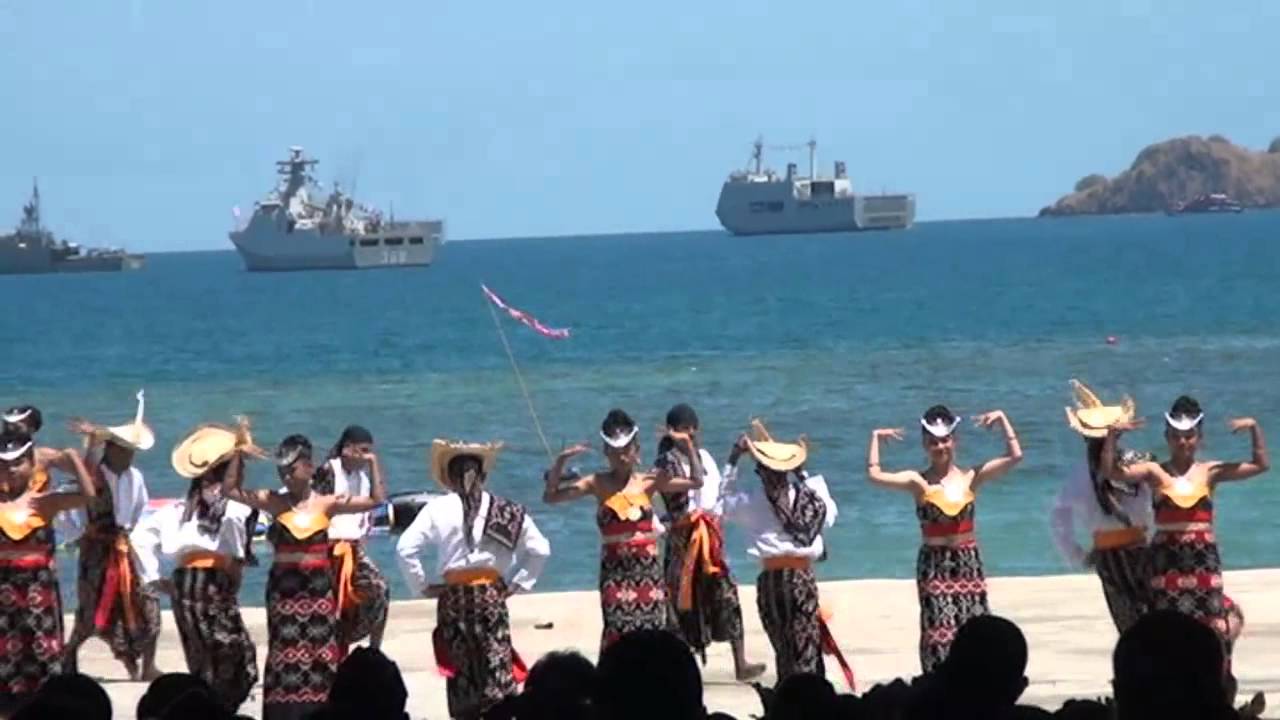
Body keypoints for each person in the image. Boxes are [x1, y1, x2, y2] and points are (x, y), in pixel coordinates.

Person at [222, 433, 384, 720]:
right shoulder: (274, 501)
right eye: (281, 471)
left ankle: (322, 710)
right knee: (284, 652)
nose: (285, 477)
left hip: (318, 590)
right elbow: (231, 491)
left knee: (321, 651)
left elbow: (376, 500)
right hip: (284, 593)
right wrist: (237, 454)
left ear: (308, 468)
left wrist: (372, 462)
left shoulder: (328, 503)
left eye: (291, 469)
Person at [1102, 395, 1267, 666]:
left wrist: (1254, 428)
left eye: (1189, 436)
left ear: (1199, 438)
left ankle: (1214, 676)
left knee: (1212, 622)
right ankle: (1170, 677)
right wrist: (1112, 436)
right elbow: (1110, 472)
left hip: (1203, 559)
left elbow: (1260, 465)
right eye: (1176, 436)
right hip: (1167, 558)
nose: (1183, 442)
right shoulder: (1154, 471)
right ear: (1167, 438)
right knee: (1167, 624)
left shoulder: (1210, 471)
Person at [396, 439, 551, 720]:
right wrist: (517, 584)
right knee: (496, 668)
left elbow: (405, 549)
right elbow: (540, 549)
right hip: (491, 596)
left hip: (454, 598)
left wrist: (423, 587)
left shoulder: (437, 508)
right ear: (484, 476)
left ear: (449, 478)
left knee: (462, 675)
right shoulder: (507, 509)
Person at [867, 404, 1023, 673]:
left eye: (945, 440)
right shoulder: (918, 482)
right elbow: (875, 475)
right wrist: (875, 438)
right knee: (938, 631)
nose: (940, 446)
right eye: (933, 442)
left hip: (968, 562)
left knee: (976, 628)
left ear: (954, 441)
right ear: (925, 445)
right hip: (934, 565)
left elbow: (1015, 456)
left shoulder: (971, 477)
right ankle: (938, 684)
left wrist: (1002, 420)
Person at [544, 408, 703, 651]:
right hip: (615, 569)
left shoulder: (649, 482)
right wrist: (561, 461)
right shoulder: (596, 483)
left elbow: (696, 481)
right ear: (606, 452)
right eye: (615, 451)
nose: (621, 456)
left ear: (636, 450)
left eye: (626, 449)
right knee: (617, 630)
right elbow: (551, 497)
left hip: (647, 568)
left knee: (651, 631)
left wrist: (688, 446)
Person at [131, 420, 262, 714]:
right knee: (233, 653)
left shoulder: (181, 507)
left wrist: (156, 579)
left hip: (184, 581)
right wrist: (234, 573)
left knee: (200, 652)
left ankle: (204, 705)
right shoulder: (234, 504)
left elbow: (140, 538)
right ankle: (219, 708)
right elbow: (234, 538)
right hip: (213, 581)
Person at [720, 419, 850, 688]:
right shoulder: (807, 499)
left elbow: (721, 502)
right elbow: (829, 513)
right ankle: (809, 694)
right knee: (805, 646)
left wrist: (733, 459)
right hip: (800, 579)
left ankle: (792, 697)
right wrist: (802, 474)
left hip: (771, 581)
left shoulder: (753, 500)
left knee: (784, 650)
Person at [653, 403, 763, 680]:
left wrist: (734, 458)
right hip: (683, 540)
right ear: (673, 432)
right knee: (681, 602)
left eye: (693, 429)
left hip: (708, 539)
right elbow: (684, 493)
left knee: (727, 595)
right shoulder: (665, 463)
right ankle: (681, 668)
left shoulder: (704, 456)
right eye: (684, 430)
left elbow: (718, 494)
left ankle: (740, 663)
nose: (690, 434)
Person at [61, 390, 164, 681]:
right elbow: (68, 511)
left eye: (132, 451)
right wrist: (82, 534)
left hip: (126, 549)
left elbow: (140, 513)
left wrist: (136, 544)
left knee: (147, 604)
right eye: (125, 451)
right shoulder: (92, 477)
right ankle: (68, 656)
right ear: (111, 449)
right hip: (97, 551)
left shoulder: (135, 477)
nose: (130, 456)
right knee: (91, 610)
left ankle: (147, 665)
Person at [1051, 380, 1157, 634]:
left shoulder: (1078, 475)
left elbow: (1059, 518)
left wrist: (1077, 554)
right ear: (1118, 434)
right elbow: (1158, 500)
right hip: (1142, 547)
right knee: (1154, 619)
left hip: (1107, 554)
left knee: (1128, 626)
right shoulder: (1138, 463)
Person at [0, 431, 95, 710]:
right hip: (3, 592)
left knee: (42, 655)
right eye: (4, 464)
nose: (11, 470)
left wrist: (73, 459)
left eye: (18, 463)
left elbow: (88, 496)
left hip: (38, 593)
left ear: (32, 463)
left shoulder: (45, 501)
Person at [315, 425, 391, 652]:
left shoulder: (363, 478)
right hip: (328, 546)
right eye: (363, 451)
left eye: (370, 451)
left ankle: (374, 649)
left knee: (380, 589)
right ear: (348, 448)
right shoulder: (329, 470)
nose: (367, 456)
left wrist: (374, 463)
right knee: (333, 605)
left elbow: (378, 499)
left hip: (353, 547)